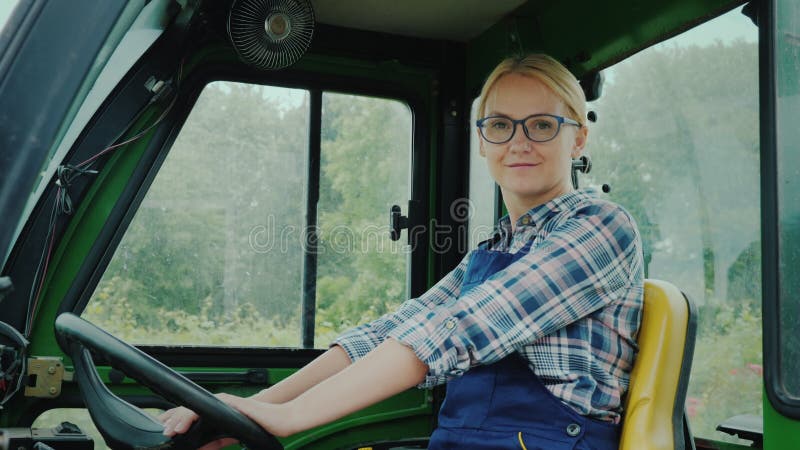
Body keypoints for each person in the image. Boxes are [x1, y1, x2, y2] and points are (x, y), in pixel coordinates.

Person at [159, 53, 644, 450]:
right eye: (500, 125)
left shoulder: (600, 228)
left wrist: (288, 418)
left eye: (541, 125)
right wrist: (251, 406)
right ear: (481, 140)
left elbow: (461, 329)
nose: (518, 142)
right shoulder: (494, 249)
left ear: (577, 137)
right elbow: (393, 331)